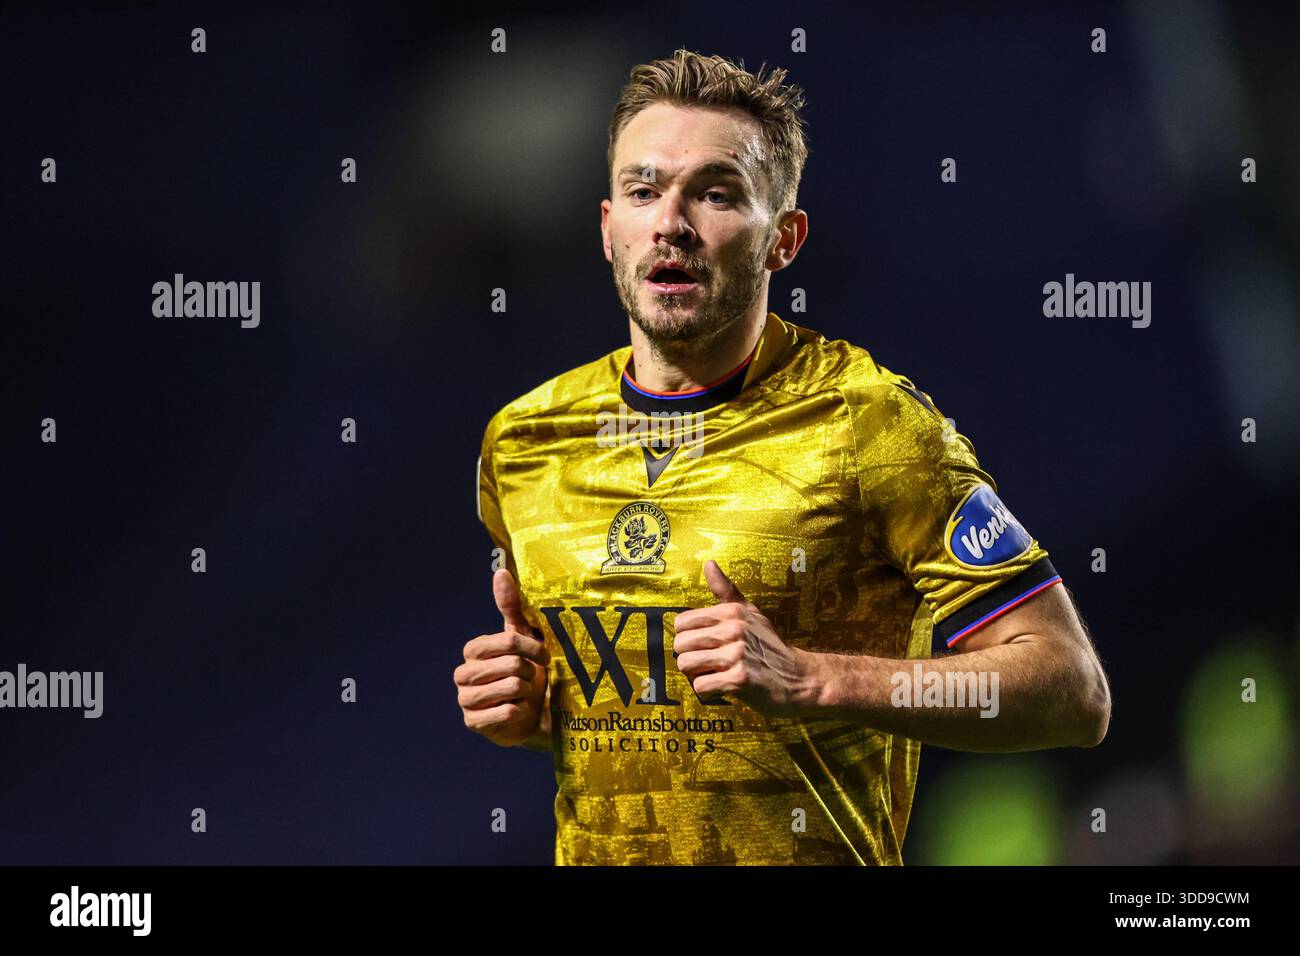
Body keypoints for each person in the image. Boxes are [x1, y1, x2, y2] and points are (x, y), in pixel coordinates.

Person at [455, 49, 1111, 865]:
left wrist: (813, 680)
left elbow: (1072, 690)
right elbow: (642, 716)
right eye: (644, 190)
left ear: (783, 239)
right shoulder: (523, 442)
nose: (671, 222)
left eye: (717, 193)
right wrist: (533, 710)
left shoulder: (868, 422)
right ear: (607, 228)